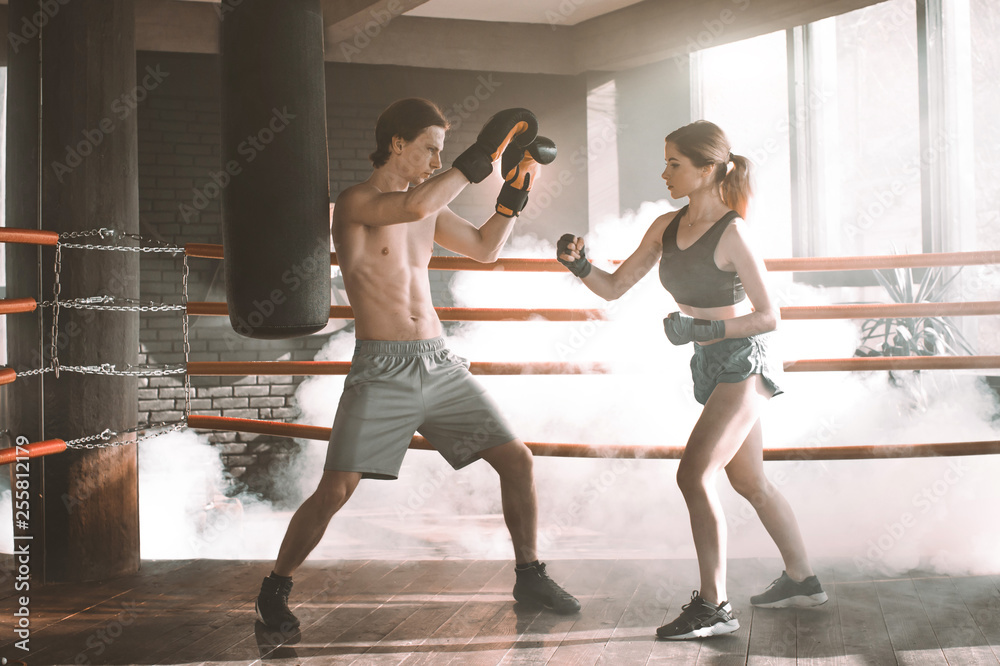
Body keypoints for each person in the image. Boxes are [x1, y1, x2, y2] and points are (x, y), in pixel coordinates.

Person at [254, 98, 579, 632]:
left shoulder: (427, 205)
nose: (435, 160)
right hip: (382, 369)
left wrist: (512, 196)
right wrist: (480, 155)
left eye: (442, 152)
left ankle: (529, 573)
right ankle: (275, 588)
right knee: (336, 489)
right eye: (430, 148)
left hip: (439, 362)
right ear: (396, 143)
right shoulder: (356, 201)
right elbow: (409, 209)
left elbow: (483, 250)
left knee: (517, 460)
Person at [556, 120, 826, 640]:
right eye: (665, 163)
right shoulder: (665, 226)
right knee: (748, 480)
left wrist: (705, 327)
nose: (664, 173)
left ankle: (715, 605)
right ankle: (802, 580)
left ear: (707, 170)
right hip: (708, 361)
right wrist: (581, 264)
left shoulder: (734, 231)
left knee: (694, 474)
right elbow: (613, 287)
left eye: (674, 164)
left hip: (745, 358)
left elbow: (770, 316)